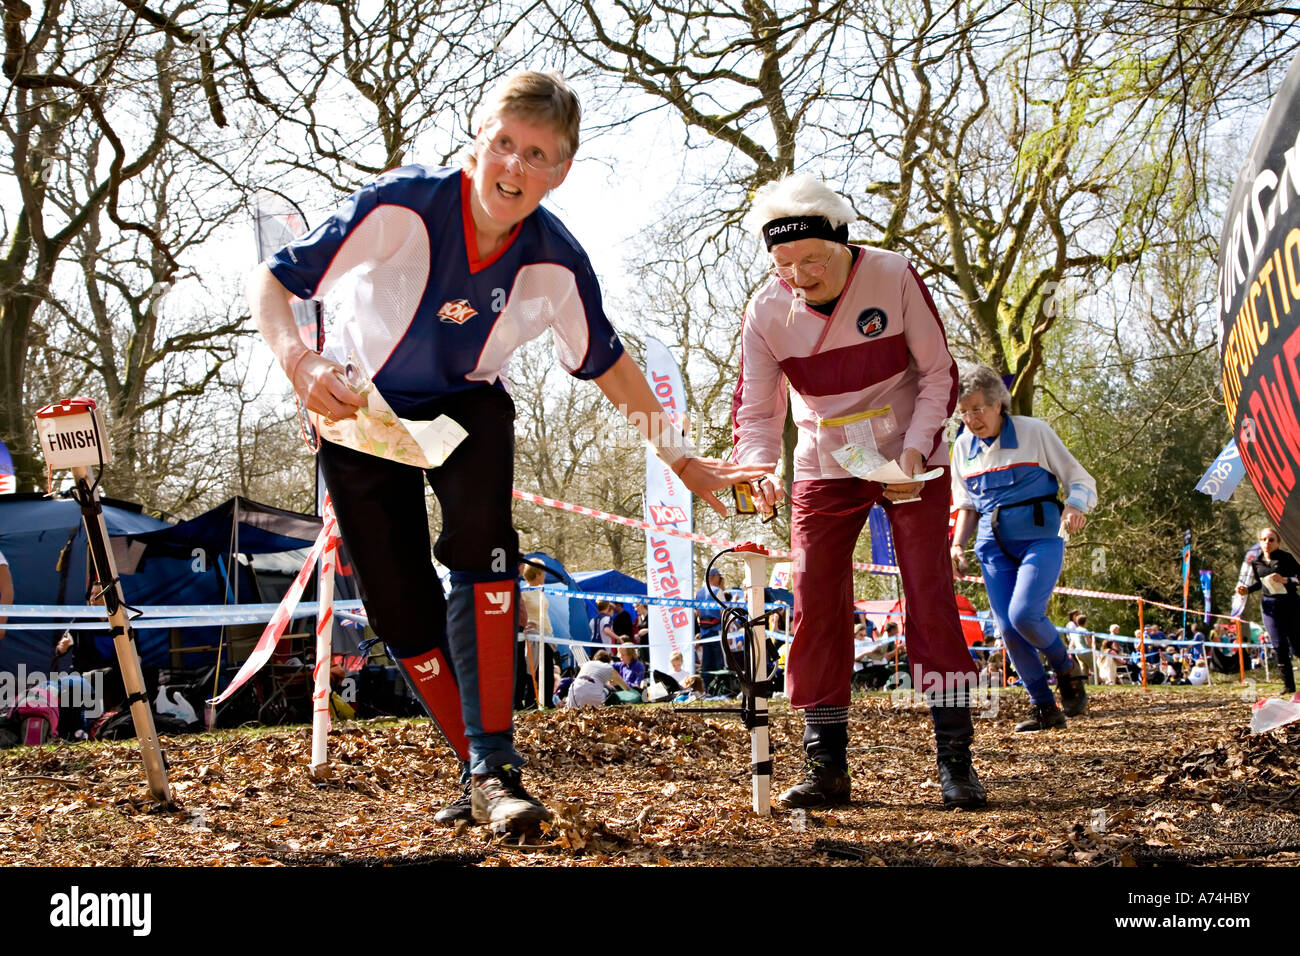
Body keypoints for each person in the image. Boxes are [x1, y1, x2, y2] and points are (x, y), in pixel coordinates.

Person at [248, 71, 768, 834]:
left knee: (485, 550)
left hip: (466, 405)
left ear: (560, 170)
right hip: (361, 410)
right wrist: (300, 361)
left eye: (537, 154)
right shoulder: (401, 205)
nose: (513, 168)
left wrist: (686, 462)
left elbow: (611, 368)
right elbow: (275, 280)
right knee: (397, 605)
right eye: (503, 145)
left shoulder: (556, 261)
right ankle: (476, 770)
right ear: (477, 142)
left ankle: (496, 767)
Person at [730, 173, 986, 810]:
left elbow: (938, 374)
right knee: (814, 594)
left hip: (908, 455)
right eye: (783, 263)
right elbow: (758, 413)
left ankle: (956, 758)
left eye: (813, 259)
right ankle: (827, 763)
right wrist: (758, 469)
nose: (799, 275)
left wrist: (916, 447)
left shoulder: (893, 275)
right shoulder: (765, 311)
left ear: (844, 244)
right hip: (825, 456)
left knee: (929, 591)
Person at [949, 365, 1096, 732]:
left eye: (978, 409)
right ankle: (1044, 707)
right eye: (964, 411)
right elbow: (965, 504)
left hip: (1041, 537)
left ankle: (1066, 667)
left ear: (999, 403)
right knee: (1008, 630)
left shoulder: (1034, 432)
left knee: (1024, 615)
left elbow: (1079, 479)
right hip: (991, 546)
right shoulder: (961, 448)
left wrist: (1075, 505)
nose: (971, 419)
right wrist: (956, 545)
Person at [1236, 527, 1300, 694]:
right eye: (1264, 539)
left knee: (1297, 646)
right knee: (1279, 645)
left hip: (1291, 604)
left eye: (1271, 540)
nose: (1267, 543)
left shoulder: (1287, 558)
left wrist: (1286, 579)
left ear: (1278, 542)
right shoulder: (1256, 562)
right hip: (1270, 607)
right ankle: (1288, 686)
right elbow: (1260, 583)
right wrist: (1247, 590)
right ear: (1260, 542)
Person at [565, 650, 630, 707]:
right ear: (608, 661)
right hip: (593, 699)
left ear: (595, 658)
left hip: (573, 695)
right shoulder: (609, 668)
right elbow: (625, 687)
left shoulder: (586, 664)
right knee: (610, 691)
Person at [694, 568, 726, 678]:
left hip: (704, 631)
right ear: (714, 576)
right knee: (718, 661)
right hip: (716, 630)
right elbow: (723, 613)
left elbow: (697, 613)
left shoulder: (699, 592)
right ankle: (720, 686)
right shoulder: (718, 591)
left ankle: (707, 687)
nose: (719, 578)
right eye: (718, 576)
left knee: (706, 662)